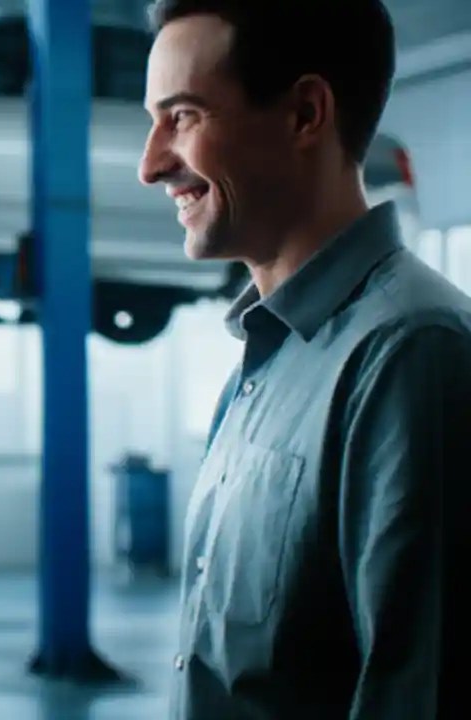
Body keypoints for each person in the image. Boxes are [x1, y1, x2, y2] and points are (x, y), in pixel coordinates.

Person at [138, 0, 471, 718]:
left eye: (184, 117)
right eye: (152, 121)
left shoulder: (413, 353)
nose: (151, 164)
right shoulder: (264, 360)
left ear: (305, 114)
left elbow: (420, 692)